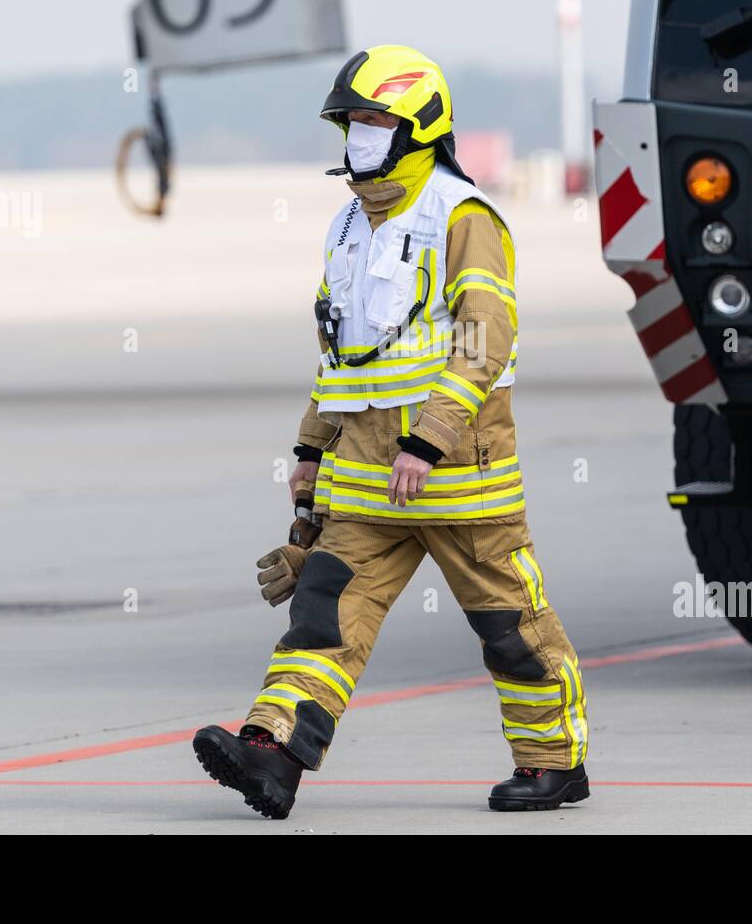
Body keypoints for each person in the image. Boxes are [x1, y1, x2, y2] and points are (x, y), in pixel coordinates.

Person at [193, 45, 589, 819]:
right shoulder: (347, 224)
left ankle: (553, 763)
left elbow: (486, 335)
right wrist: (310, 451)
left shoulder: (464, 217)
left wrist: (429, 437)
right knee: (321, 618)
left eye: (374, 120)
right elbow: (339, 354)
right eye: (353, 121)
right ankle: (272, 754)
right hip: (368, 482)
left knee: (511, 627)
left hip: (458, 476)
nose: (359, 135)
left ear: (417, 126)